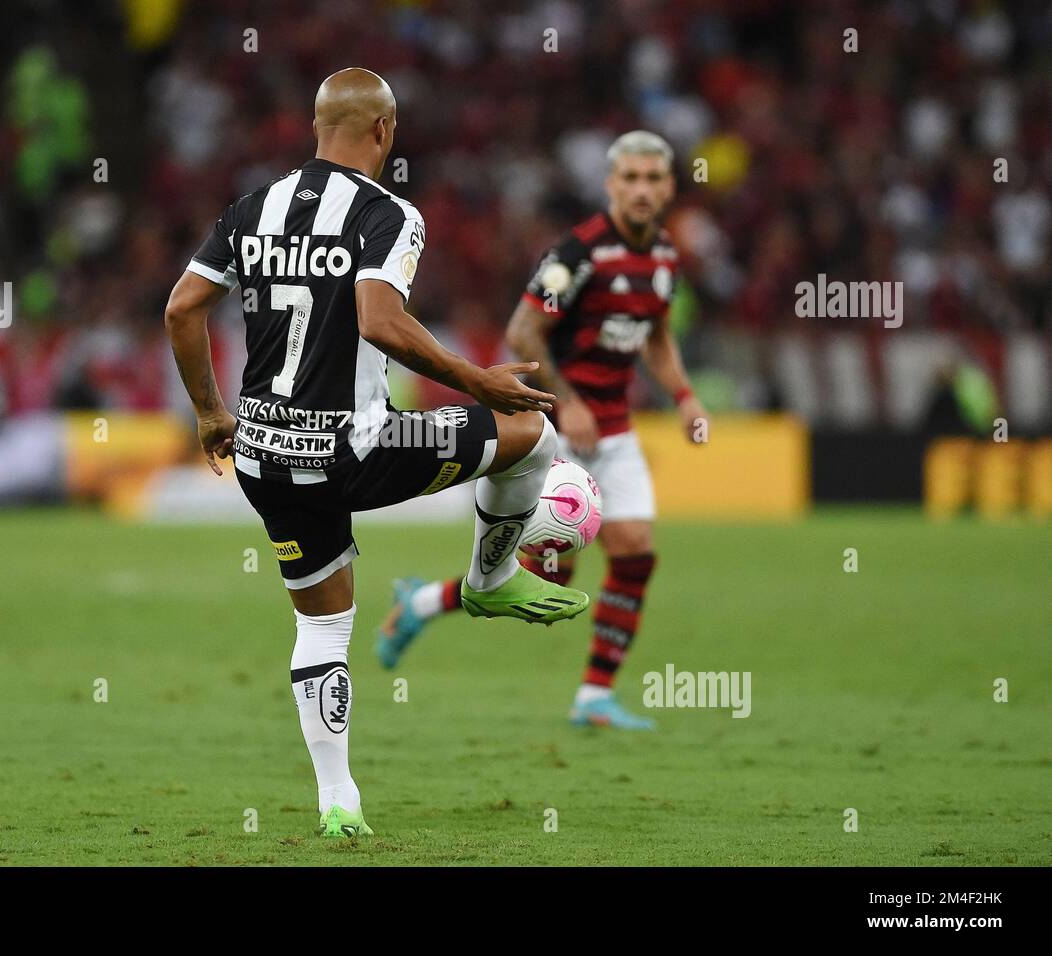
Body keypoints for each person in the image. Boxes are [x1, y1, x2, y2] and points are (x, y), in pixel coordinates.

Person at [164, 68, 590, 838]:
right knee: (534, 437)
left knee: (323, 627)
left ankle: (339, 804)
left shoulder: (251, 208)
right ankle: (492, 579)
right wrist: (477, 381)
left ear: (316, 125)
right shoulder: (389, 214)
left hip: (262, 453)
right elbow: (381, 321)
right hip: (356, 445)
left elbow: (182, 308)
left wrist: (208, 411)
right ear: (385, 133)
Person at [376, 131, 709, 731]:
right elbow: (523, 332)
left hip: (618, 434)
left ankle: (593, 697)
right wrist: (571, 401)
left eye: (652, 179)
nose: (640, 189)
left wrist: (684, 397)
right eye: (628, 178)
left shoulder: (663, 256)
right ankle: (419, 603)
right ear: (610, 185)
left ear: (667, 189)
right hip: (560, 436)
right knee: (541, 577)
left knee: (636, 554)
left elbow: (657, 334)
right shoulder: (576, 256)